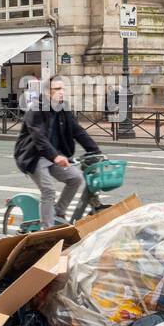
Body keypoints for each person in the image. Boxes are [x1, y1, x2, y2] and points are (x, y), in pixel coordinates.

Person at [14, 75, 100, 228]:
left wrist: (95, 151)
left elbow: (77, 131)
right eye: (57, 89)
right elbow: (39, 137)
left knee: (76, 178)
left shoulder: (63, 108)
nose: (62, 92)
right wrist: (55, 157)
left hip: (54, 155)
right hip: (34, 156)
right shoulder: (36, 109)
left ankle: (59, 212)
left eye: (63, 89)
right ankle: (47, 231)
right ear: (48, 92)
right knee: (48, 190)